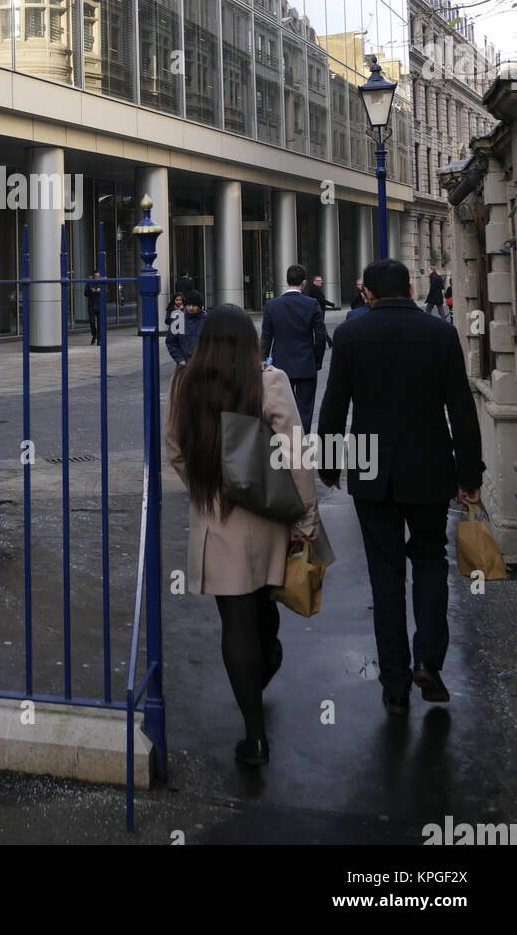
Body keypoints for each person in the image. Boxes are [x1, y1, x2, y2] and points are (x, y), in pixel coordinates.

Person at [317, 259, 483, 713]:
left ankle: (394, 683)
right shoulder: (440, 334)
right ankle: (429, 659)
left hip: (370, 465)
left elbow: (334, 406)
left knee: (385, 575)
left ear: (367, 294)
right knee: (430, 561)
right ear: (412, 288)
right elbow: (461, 410)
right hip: (429, 464)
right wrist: (471, 475)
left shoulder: (351, 335)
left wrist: (330, 467)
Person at [165, 306, 321, 766]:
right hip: (268, 516)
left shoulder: (184, 382)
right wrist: (306, 517)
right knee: (262, 614)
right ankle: (266, 664)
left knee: (235, 625)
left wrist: (205, 487)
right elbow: (295, 453)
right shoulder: (268, 380)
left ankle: (254, 736)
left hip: (217, 518)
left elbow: (175, 448)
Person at [260, 264, 326, 435]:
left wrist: (262, 362)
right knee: (304, 409)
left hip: (281, 364)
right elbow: (320, 337)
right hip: (306, 363)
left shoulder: (272, 305)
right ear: (304, 283)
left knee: (281, 406)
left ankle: (283, 442)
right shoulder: (311, 304)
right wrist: (317, 361)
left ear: (286, 280)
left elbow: (266, 338)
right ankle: (301, 443)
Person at [165, 289, 208, 370]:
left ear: (200, 306)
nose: (191, 308)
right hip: (184, 365)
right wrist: (180, 360)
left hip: (203, 365)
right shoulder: (178, 319)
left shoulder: (207, 320)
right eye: (188, 305)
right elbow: (171, 342)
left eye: (194, 305)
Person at [84, 271, 103, 345]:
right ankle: (94, 335)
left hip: (100, 306)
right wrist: (91, 291)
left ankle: (99, 340)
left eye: (98, 276)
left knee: (100, 324)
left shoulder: (102, 282)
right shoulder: (89, 283)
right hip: (91, 306)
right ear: (93, 276)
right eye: (96, 276)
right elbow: (85, 293)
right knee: (92, 322)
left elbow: (107, 291)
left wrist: (99, 290)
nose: (97, 278)